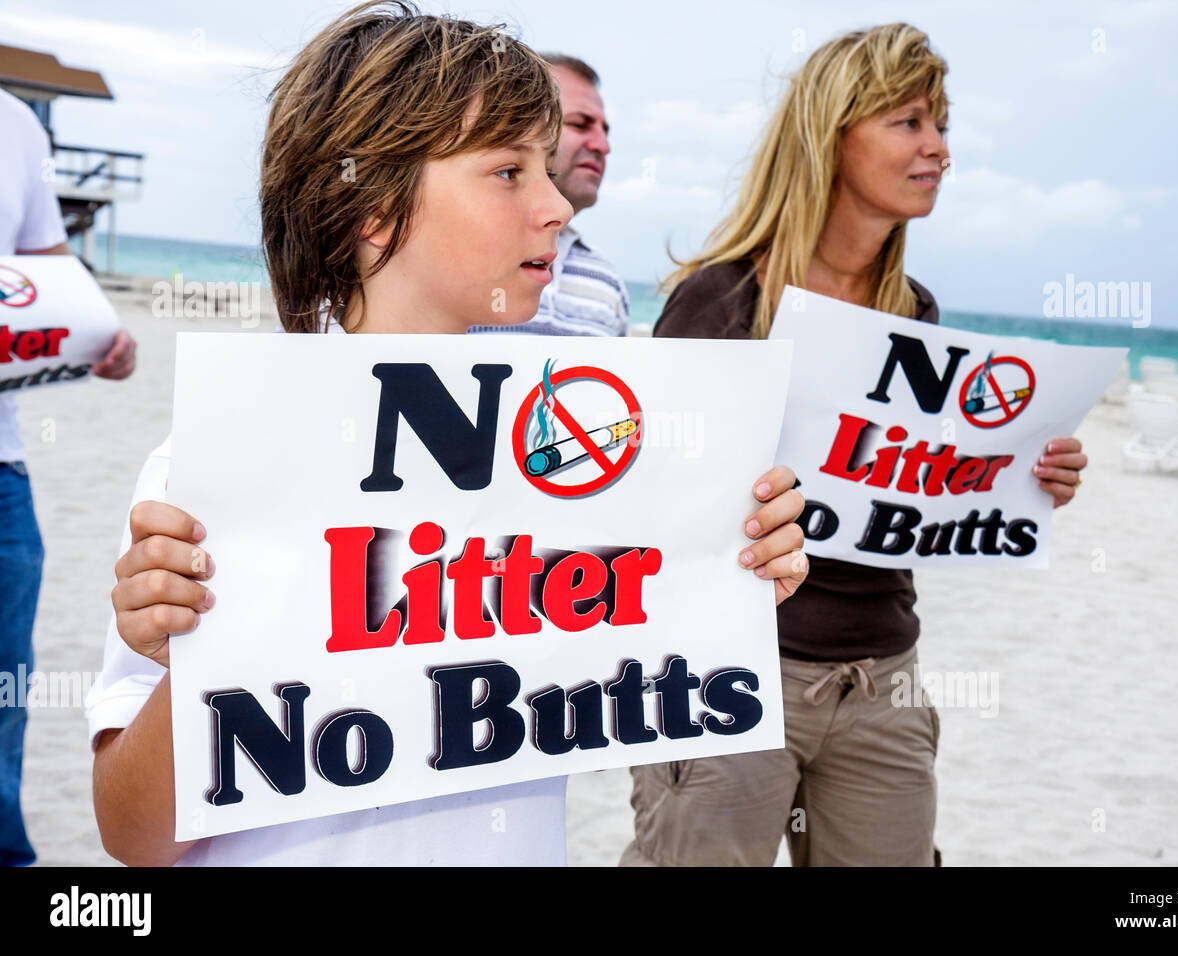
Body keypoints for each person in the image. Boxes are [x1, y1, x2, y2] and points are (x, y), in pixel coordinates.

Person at [86, 0, 807, 867]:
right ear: (374, 208)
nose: (555, 208)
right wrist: (190, 666)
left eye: (548, 167)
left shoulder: (574, 469)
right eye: (508, 171)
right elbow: (132, 838)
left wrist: (725, 572)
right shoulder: (213, 473)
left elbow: (635, 686)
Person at [621, 24, 1088, 867]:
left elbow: (916, 483)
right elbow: (650, 508)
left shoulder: (916, 315)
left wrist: (1024, 473)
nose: (939, 148)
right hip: (732, 679)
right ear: (830, 135)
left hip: (886, 678)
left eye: (942, 125)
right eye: (909, 122)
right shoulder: (720, 302)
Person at [0, 87, 136, 867]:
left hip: (3, 467)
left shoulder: (16, 124)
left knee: (7, 689)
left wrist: (102, 341)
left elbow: (52, 284)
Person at [468, 53, 627, 338]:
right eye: (580, 124)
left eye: (605, 130)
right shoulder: (459, 260)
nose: (603, 145)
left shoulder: (607, 281)